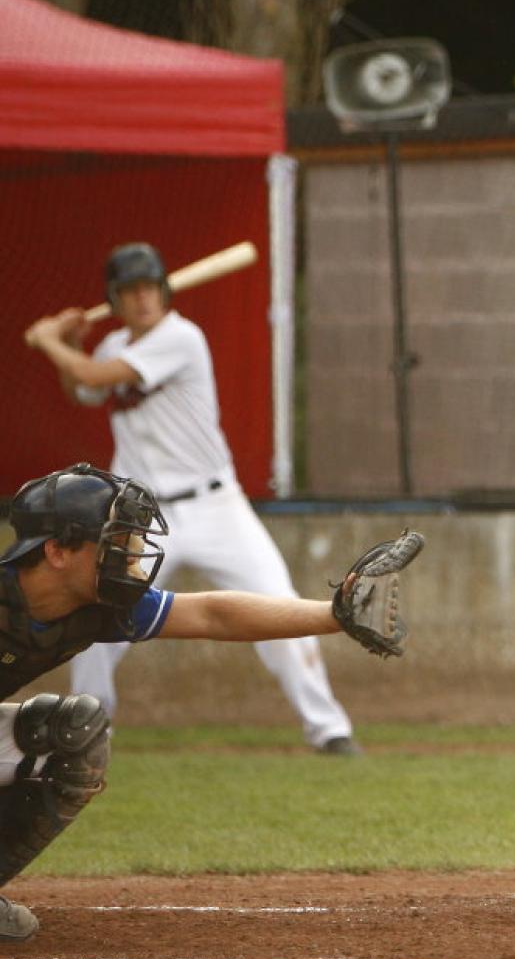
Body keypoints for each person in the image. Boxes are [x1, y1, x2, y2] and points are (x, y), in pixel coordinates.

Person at [0, 462, 418, 941]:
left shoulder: (97, 604)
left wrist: (334, 615)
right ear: (56, 551)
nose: (130, 555)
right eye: (114, 541)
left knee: (75, 736)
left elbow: (212, 614)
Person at [22, 244, 360, 755]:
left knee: (277, 602)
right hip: (139, 518)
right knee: (94, 616)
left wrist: (50, 341)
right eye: (130, 291)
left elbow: (93, 376)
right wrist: (70, 342)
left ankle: (329, 730)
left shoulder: (182, 337)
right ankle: (88, 730)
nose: (143, 299)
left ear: (164, 291)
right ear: (114, 300)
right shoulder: (113, 343)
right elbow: (81, 389)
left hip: (215, 507)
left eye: (149, 288)